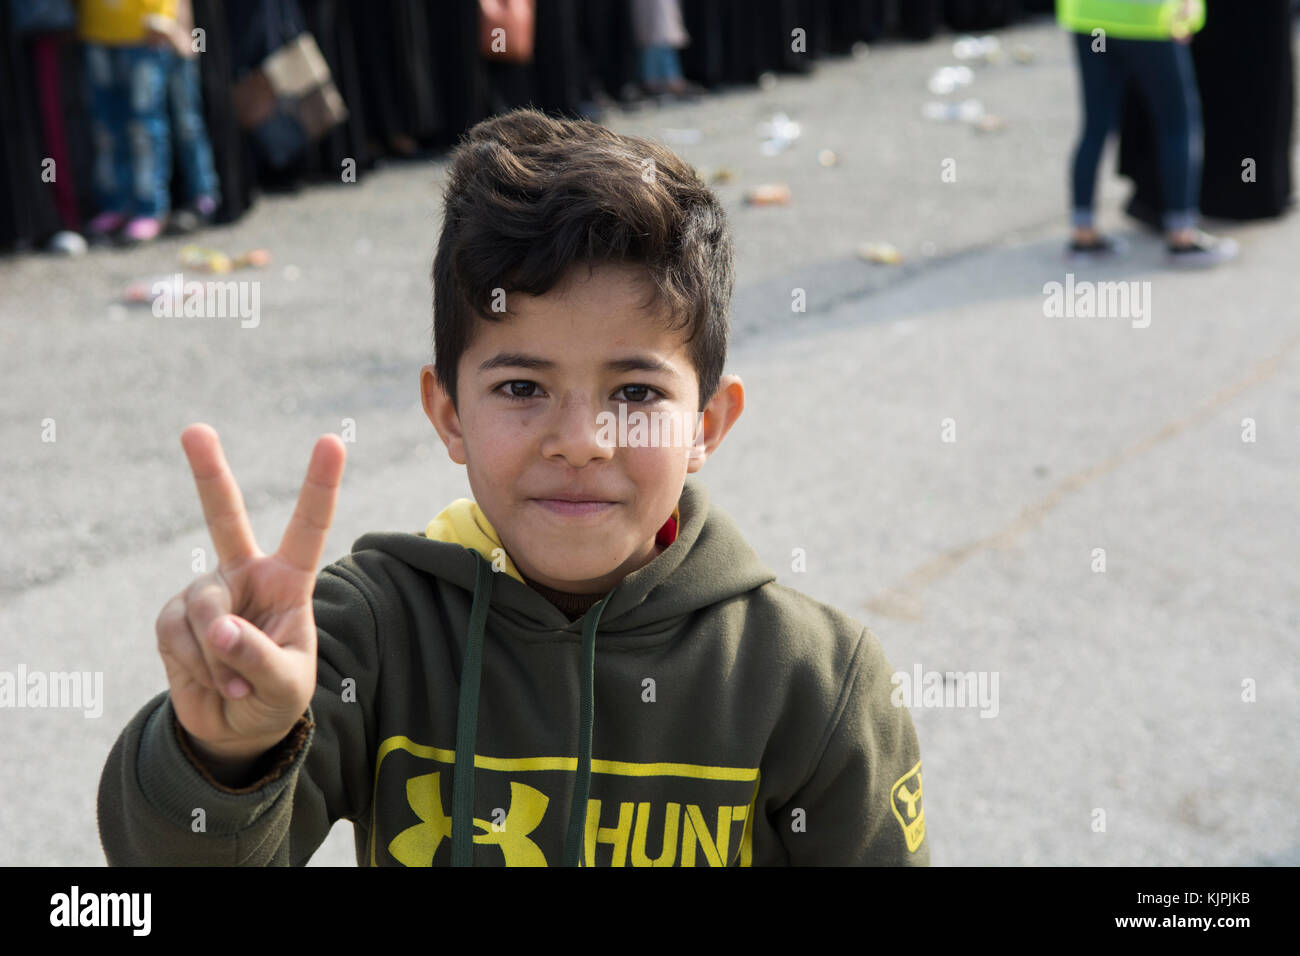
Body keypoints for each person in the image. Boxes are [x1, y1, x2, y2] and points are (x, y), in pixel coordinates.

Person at [96, 107, 929, 867]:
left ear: (707, 424)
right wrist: (224, 755)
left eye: (635, 393)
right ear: (448, 413)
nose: (578, 442)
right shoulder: (363, 636)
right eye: (523, 389)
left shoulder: (811, 680)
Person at [1057, 0, 1239, 267]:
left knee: (1094, 127)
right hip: (1150, 19)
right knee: (1177, 124)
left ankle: (1083, 233)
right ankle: (1182, 235)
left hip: (1089, 15)